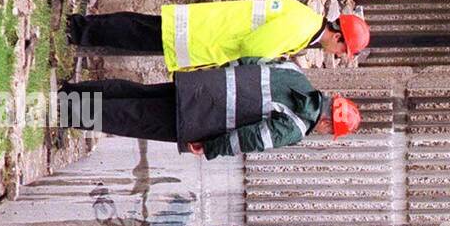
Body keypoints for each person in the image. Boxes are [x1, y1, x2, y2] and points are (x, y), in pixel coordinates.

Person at [57, 58, 360, 159]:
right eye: (328, 131)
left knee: (135, 94)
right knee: (129, 118)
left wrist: (212, 77)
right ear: (327, 125)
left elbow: (249, 61)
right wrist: (211, 148)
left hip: (198, 87)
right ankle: (60, 111)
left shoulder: (295, 72)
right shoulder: (294, 126)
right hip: (198, 120)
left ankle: (66, 93)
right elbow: (249, 138)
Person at [66, 0, 370, 72]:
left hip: (206, 31)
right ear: (339, 37)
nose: (340, 56)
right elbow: (253, 47)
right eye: (344, 51)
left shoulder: (305, 25)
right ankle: (77, 29)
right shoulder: (302, 27)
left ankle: (80, 29)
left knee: (138, 29)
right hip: (204, 36)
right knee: (135, 32)